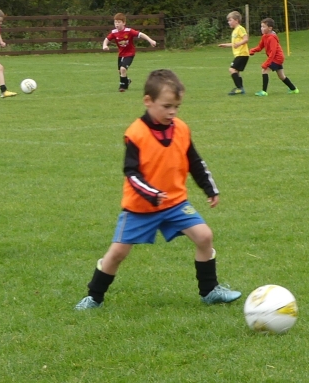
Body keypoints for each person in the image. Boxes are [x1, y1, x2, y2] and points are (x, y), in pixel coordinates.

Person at [75, 69, 240, 310]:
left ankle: (209, 290)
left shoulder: (181, 129)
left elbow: (194, 161)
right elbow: (131, 173)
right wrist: (151, 193)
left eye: (177, 106)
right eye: (167, 106)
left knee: (204, 236)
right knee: (118, 253)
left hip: (175, 203)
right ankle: (94, 296)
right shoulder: (135, 133)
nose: (172, 112)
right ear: (148, 101)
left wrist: (209, 188)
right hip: (139, 208)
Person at [102, 13, 157, 92]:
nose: (117, 24)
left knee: (123, 69)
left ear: (124, 23)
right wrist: (104, 45)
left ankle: (122, 86)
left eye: (119, 22)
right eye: (115, 22)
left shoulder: (129, 31)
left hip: (130, 54)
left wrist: (150, 40)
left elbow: (140, 34)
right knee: (120, 71)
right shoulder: (114, 32)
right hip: (121, 54)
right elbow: (107, 39)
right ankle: (127, 81)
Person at [248, 18, 298, 96]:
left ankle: (264, 92)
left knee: (264, 71)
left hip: (277, 58)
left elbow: (273, 52)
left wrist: (266, 63)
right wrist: (252, 50)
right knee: (281, 76)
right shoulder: (264, 36)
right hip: (277, 58)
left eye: (264, 27)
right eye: (261, 26)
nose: (262, 28)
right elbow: (259, 47)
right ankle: (294, 89)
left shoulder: (272, 38)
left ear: (270, 28)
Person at [218, 10, 250, 95]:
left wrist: (239, 44)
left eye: (230, 20)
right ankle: (240, 89)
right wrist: (226, 45)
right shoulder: (235, 30)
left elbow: (246, 39)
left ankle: (239, 88)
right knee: (236, 71)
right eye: (228, 21)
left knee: (232, 69)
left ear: (236, 20)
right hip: (239, 54)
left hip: (242, 54)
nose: (229, 22)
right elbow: (234, 44)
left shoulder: (240, 28)